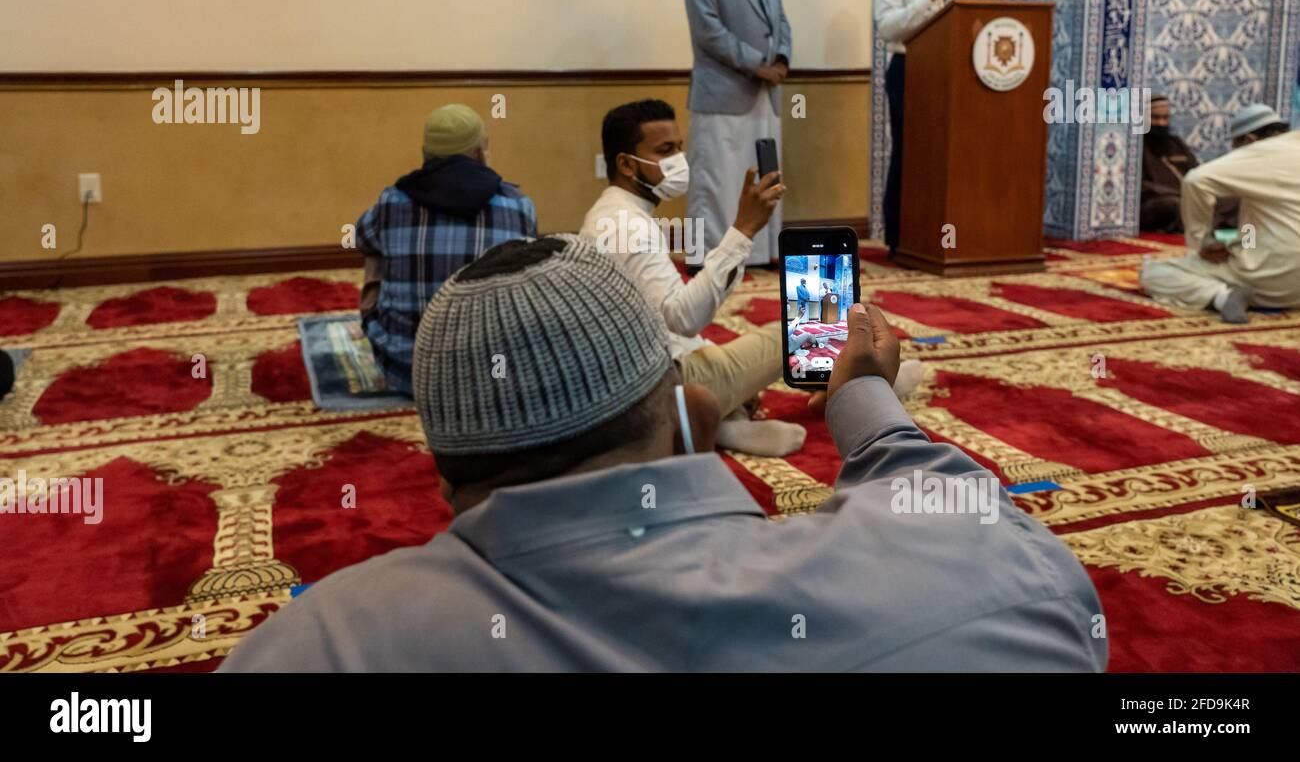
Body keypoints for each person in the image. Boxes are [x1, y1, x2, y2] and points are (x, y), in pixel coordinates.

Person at [219, 234, 1107, 672]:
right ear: (689, 419)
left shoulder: (316, 646)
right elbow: (1004, 553)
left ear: (443, 475)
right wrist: (864, 401)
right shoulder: (986, 575)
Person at [581, 99, 804, 457]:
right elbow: (683, 318)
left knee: (719, 352)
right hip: (662, 384)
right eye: (665, 151)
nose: (678, 161)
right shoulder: (627, 227)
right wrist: (743, 230)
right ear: (625, 164)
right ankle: (867, 384)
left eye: (679, 148)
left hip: (640, 380)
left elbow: (665, 321)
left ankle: (723, 423)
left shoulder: (613, 214)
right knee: (807, 322)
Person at [354, 104, 537, 397]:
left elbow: (359, 239)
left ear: (427, 154)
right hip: (489, 374)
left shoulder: (392, 202)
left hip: (407, 372)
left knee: (376, 245)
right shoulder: (518, 206)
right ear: (480, 152)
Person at [874, 0, 998, 257]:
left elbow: (983, 21)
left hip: (960, 75)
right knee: (913, 154)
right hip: (911, 72)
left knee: (957, 155)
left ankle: (958, 236)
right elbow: (887, 28)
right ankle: (902, 238)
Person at [683, 0, 792, 268]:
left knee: (763, 172)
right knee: (717, 177)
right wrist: (755, 64)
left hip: (764, 93)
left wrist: (781, 59)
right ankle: (708, 255)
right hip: (722, 94)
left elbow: (780, 20)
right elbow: (708, 31)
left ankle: (760, 253)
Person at [1141, 103, 1300, 322]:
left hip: (1271, 283)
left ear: (1249, 140)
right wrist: (1240, 244)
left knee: (1154, 273)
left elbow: (1196, 180)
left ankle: (1222, 297)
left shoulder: (1258, 153)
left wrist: (1202, 241)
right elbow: (1255, 225)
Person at [1140, 94, 1236, 233]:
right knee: (1174, 205)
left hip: (1189, 196)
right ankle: (1213, 227)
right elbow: (1141, 186)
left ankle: (1215, 226)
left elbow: (1196, 172)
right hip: (1157, 201)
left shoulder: (1176, 143)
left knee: (1233, 200)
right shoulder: (1136, 147)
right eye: (1155, 118)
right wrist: (1181, 193)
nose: (1161, 123)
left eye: (1165, 118)